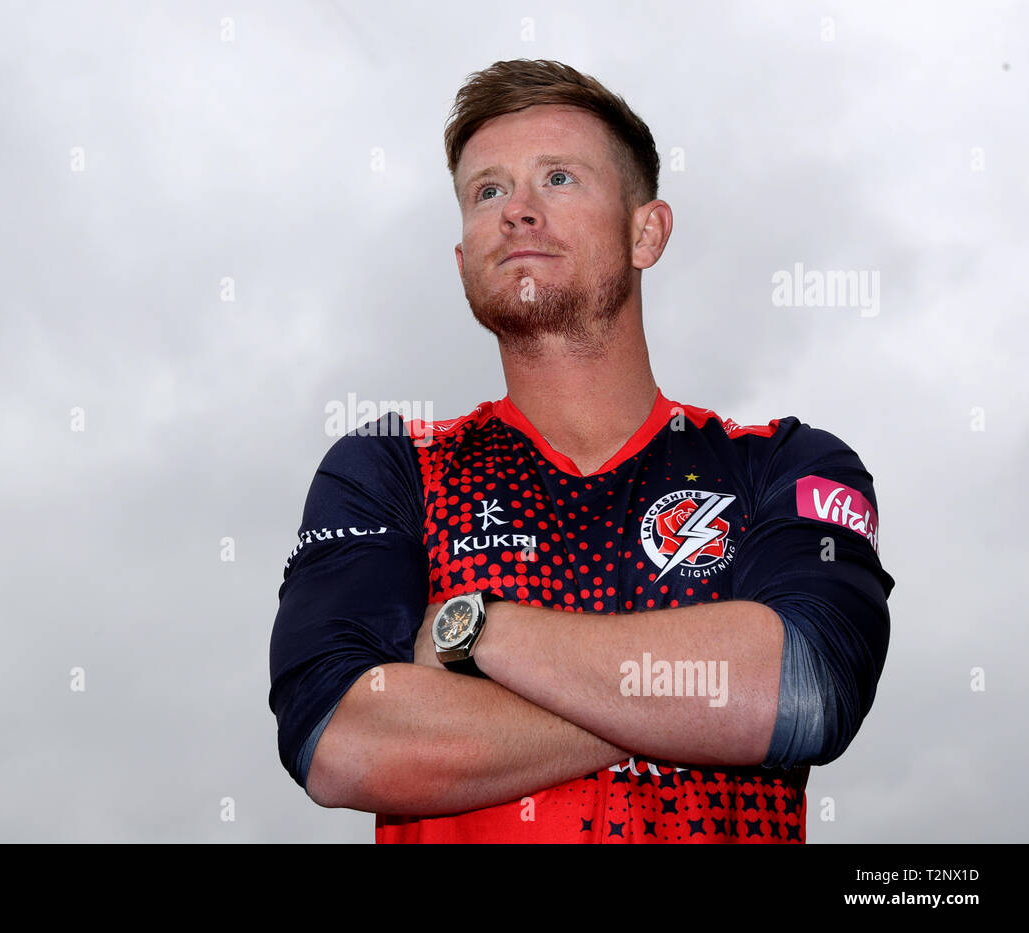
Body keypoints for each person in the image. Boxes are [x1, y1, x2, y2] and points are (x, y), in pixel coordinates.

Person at [268, 59, 894, 843]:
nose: (517, 212)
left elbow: (803, 689)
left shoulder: (787, 463)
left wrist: (473, 631)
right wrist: (695, 700)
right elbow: (343, 741)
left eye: (558, 178)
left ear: (646, 231)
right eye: (486, 191)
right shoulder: (390, 465)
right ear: (463, 261)